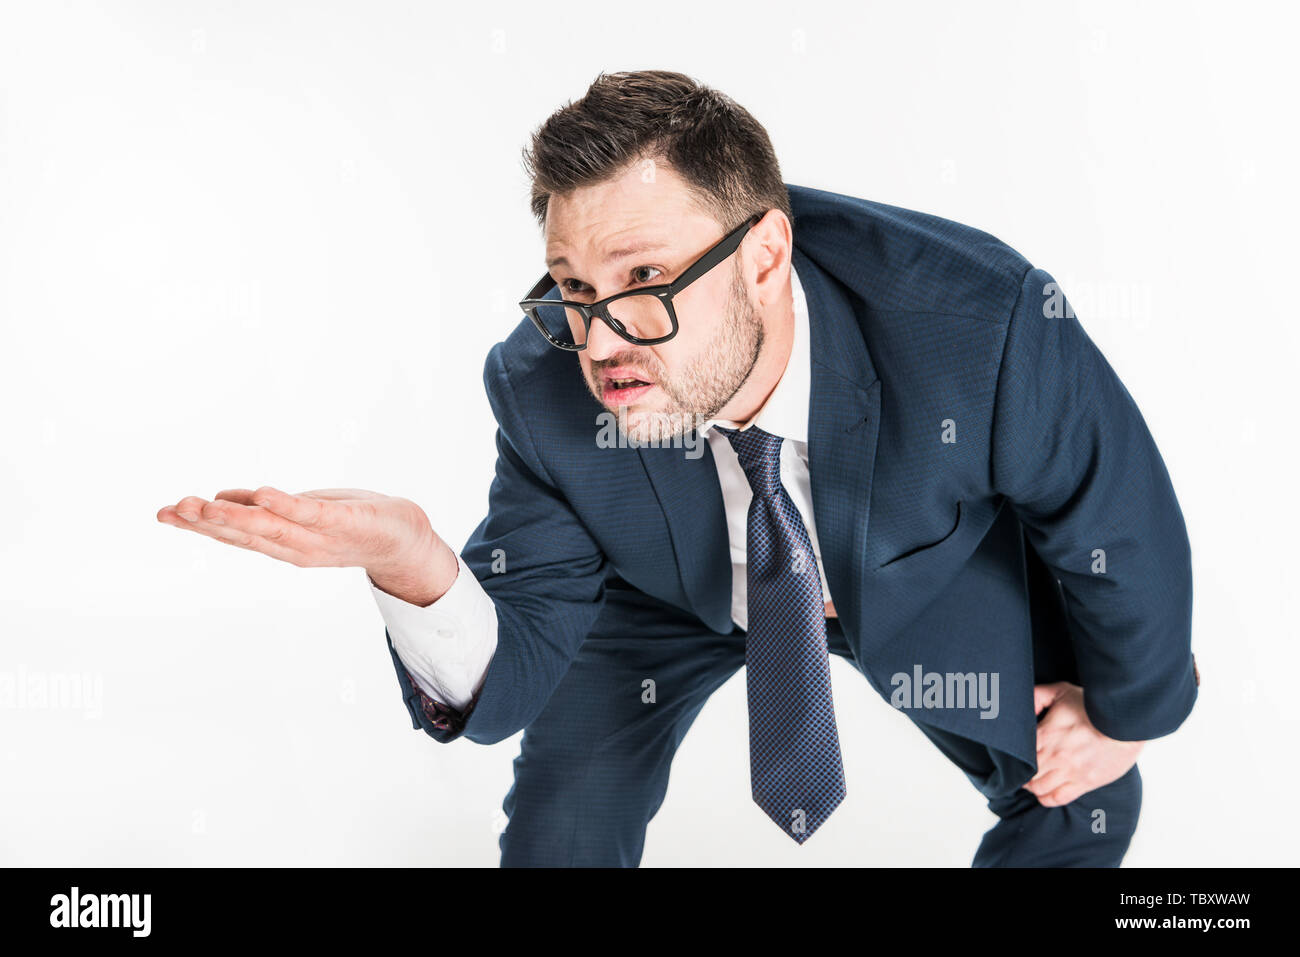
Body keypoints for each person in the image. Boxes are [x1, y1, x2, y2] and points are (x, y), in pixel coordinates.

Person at [158, 69, 1199, 867]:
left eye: (645, 278)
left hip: (919, 577)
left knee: (1090, 793)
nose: (601, 337)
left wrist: (1128, 712)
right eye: (572, 284)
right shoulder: (541, 384)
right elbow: (510, 680)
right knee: (562, 809)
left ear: (764, 257)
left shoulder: (978, 321)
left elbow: (1114, 520)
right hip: (663, 589)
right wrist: (413, 561)